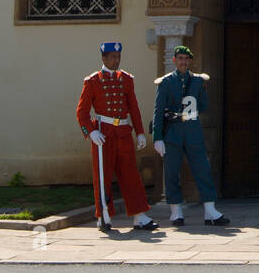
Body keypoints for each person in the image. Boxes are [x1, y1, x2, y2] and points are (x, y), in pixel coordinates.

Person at [76, 42, 157, 232]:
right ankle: (103, 215)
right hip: (103, 133)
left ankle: (140, 215)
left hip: (123, 132)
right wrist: (91, 132)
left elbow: (134, 108)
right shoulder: (93, 81)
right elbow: (82, 113)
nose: (116, 60)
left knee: (131, 175)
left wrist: (139, 132)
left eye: (118, 56)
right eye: (112, 56)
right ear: (103, 58)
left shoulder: (126, 79)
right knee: (102, 176)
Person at [153, 45, 228, 226]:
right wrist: (157, 137)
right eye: (180, 59)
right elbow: (158, 110)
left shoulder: (197, 81)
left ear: (190, 61)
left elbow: (203, 104)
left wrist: (190, 110)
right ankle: (175, 211)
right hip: (172, 131)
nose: (183, 62)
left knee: (202, 167)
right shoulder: (166, 82)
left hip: (193, 129)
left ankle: (210, 210)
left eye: (186, 59)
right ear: (174, 60)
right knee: (172, 170)